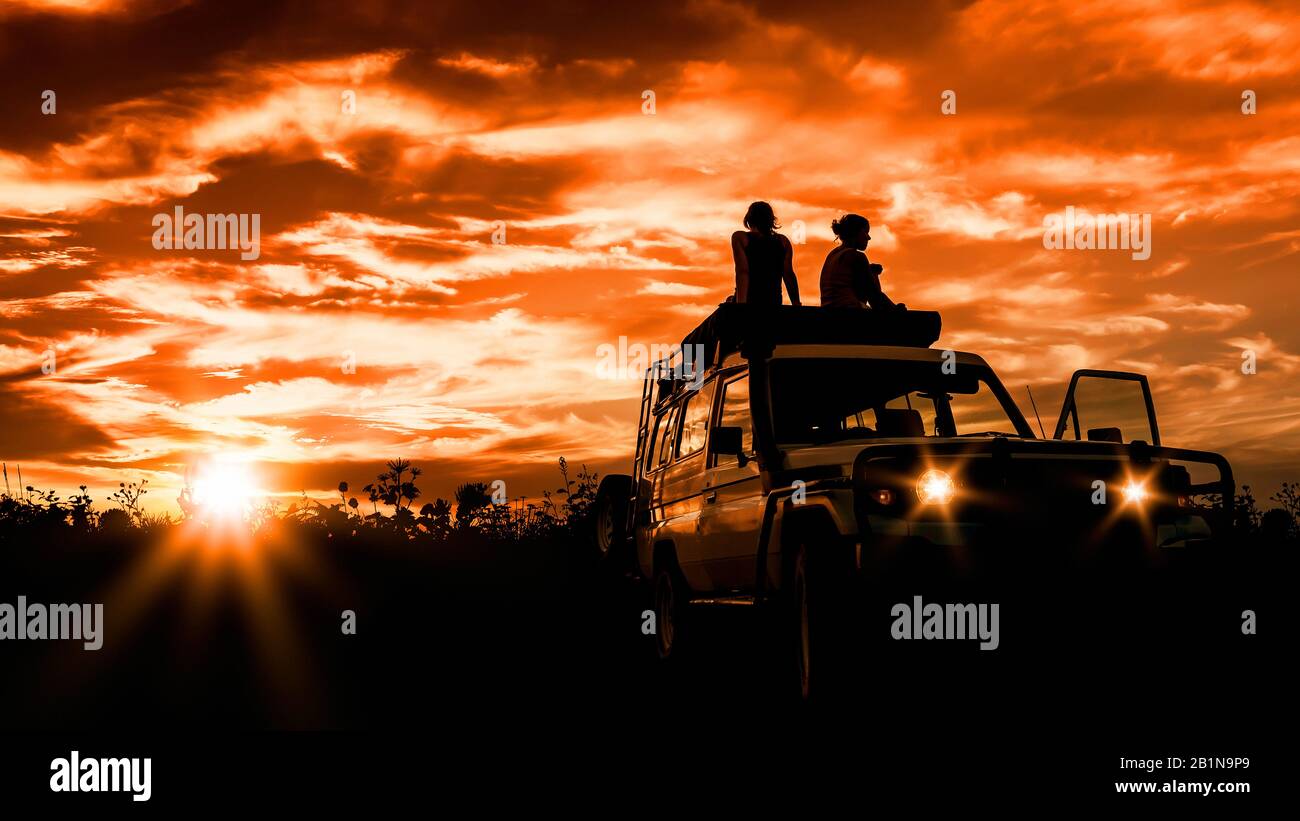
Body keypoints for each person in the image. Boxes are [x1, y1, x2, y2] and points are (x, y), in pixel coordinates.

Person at [819, 213, 903, 311]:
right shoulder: (856, 256)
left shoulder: (832, 254)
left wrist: (870, 272)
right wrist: (896, 309)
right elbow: (874, 296)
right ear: (856, 232)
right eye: (866, 232)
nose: (869, 237)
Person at [731, 201, 800, 306]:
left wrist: (741, 306)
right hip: (773, 302)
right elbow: (788, 274)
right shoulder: (783, 241)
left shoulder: (740, 238)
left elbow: (742, 272)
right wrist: (796, 303)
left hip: (749, 301)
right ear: (771, 220)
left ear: (749, 219)